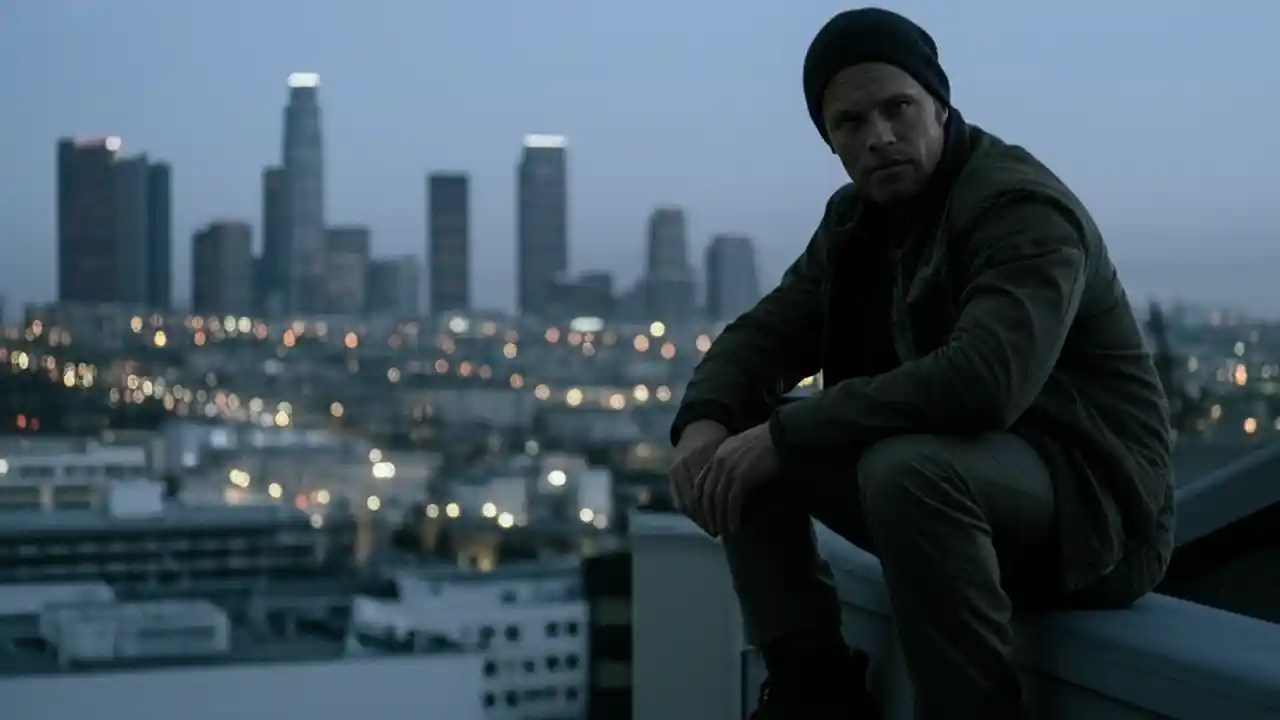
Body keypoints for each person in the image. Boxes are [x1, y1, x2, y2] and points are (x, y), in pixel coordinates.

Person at [667, 7, 1175, 719]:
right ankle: (815, 692)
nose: (878, 137)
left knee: (903, 469)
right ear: (831, 141)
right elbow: (763, 336)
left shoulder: (1019, 209)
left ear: (939, 105)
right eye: (849, 123)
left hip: (1096, 508)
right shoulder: (855, 222)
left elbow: (985, 381)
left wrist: (783, 437)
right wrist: (704, 425)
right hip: (978, 493)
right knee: (741, 447)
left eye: (897, 108)